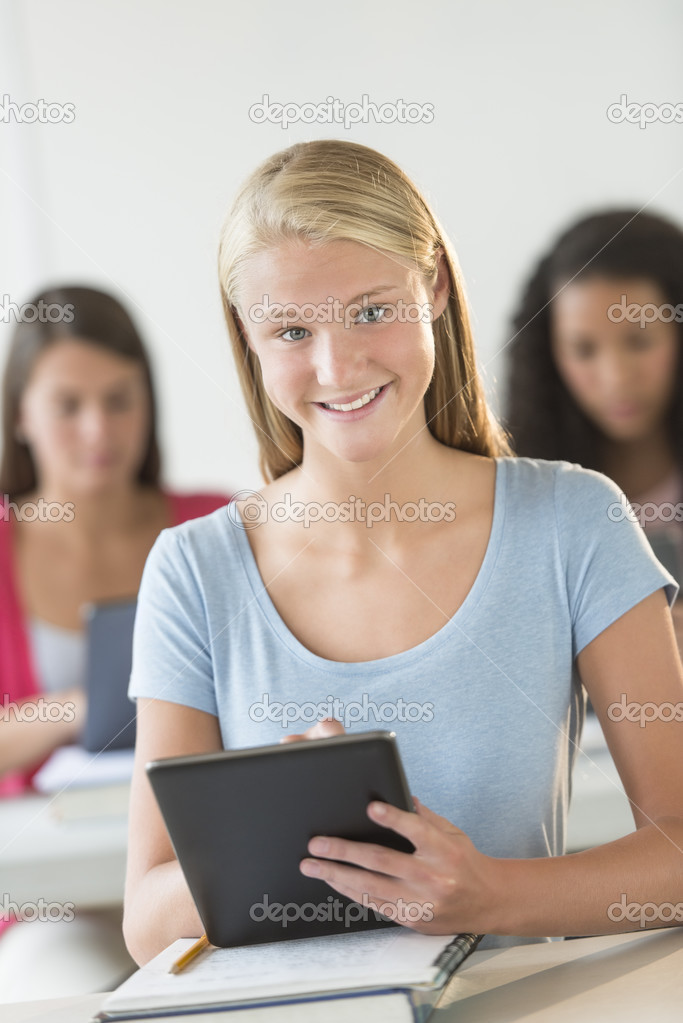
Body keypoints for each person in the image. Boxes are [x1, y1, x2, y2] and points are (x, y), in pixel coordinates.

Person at [122, 141, 683, 966]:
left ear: (435, 289)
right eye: (291, 329)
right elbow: (145, 920)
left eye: (373, 309)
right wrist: (268, 834)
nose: (335, 365)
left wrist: (489, 892)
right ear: (246, 334)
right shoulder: (192, 571)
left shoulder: (573, 520)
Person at [0, 284, 230, 999]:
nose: (98, 429)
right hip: (53, 900)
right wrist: (84, 705)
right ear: (20, 417)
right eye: (68, 405)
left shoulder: (220, 525)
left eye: (120, 400)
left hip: (206, 870)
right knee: (55, 986)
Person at [503, 210, 683, 650]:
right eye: (584, 349)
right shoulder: (513, 495)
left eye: (639, 342)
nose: (616, 378)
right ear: (549, 355)